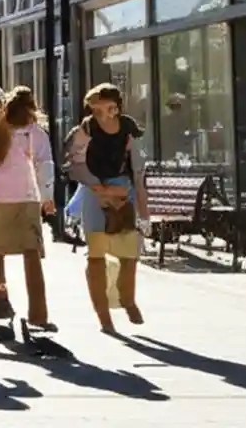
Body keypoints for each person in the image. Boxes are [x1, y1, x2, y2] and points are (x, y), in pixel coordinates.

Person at [0, 86, 56, 332]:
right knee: (32, 256)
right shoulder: (36, 134)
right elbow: (45, 167)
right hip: (26, 199)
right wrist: (47, 198)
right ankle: (38, 315)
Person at [64, 83, 149, 334]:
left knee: (128, 252)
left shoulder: (129, 129)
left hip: (123, 189)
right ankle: (103, 316)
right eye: (96, 110)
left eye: (108, 109)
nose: (103, 115)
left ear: (117, 107)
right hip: (93, 189)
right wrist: (98, 188)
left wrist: (143, 211)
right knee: (97, 252)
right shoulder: (86, 128)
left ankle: (128, 298)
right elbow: (73, 162)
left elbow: (138, 170)